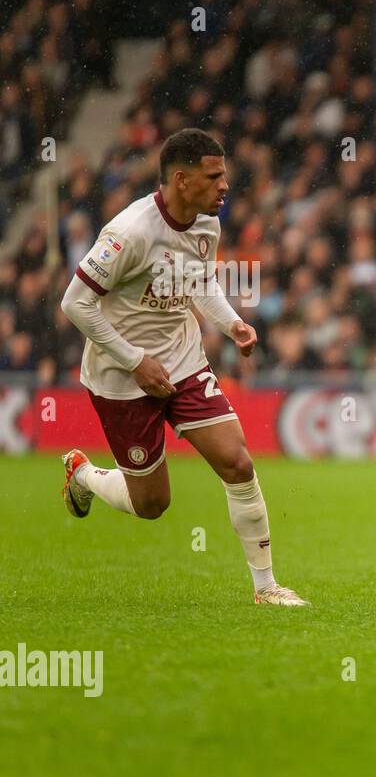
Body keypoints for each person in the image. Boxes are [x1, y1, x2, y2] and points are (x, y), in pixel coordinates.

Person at [59, 128, 307, 607]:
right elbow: (75, 303)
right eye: (214, 176)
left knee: (237, 463)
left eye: (224, 176)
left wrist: (233, 324)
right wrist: (134, 361)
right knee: (152, 505)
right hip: (121, 376)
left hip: (183, 359)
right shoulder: (129, 233)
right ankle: (84, 475)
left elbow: (198, 283)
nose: (224, 186)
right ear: (180, 178)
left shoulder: (206, 222)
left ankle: (266, 588)